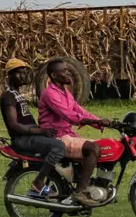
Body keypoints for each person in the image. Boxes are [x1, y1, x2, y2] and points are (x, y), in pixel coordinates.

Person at [38, 58, 111, 206]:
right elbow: (69, 115)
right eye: (64, 71)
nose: (68, 73)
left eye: (67, 70)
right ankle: (80, 192)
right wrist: (93, 122)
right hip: (56, 137)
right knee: (93, 148)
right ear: (54, 75)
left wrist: (99, 122)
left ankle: (93, 186)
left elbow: (80, 111)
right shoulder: (50, 94)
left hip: (68, 135)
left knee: (105, 147)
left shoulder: (65, 92)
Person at [0, 59, 66, 198]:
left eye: (24, 73)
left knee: (63, 141)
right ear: (9, 75)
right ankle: (39, 182)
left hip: (29, 136)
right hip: (22, 139)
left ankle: (61, 185)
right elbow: (14, 124)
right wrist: (40, 131)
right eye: (19, 73)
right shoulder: (8, 96)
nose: (23, 76)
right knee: (59, 147)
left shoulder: (17, 94)